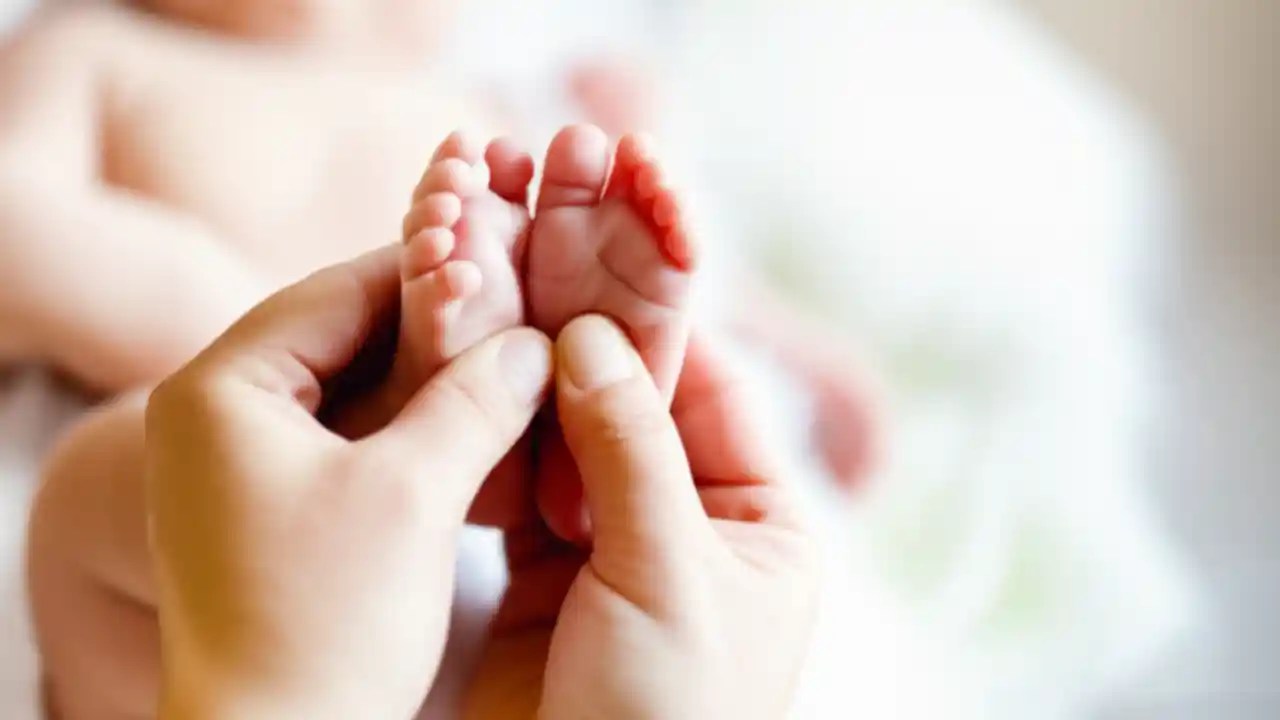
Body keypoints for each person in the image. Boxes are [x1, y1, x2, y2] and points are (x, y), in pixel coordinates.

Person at [85, 243, 819, 717]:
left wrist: (283, 695)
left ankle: (392, 414)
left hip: (326, 610)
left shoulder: (527, 91)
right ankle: (399, 413)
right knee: (106, 473)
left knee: (103, 486)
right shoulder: (98, 48)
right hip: (511, 638)